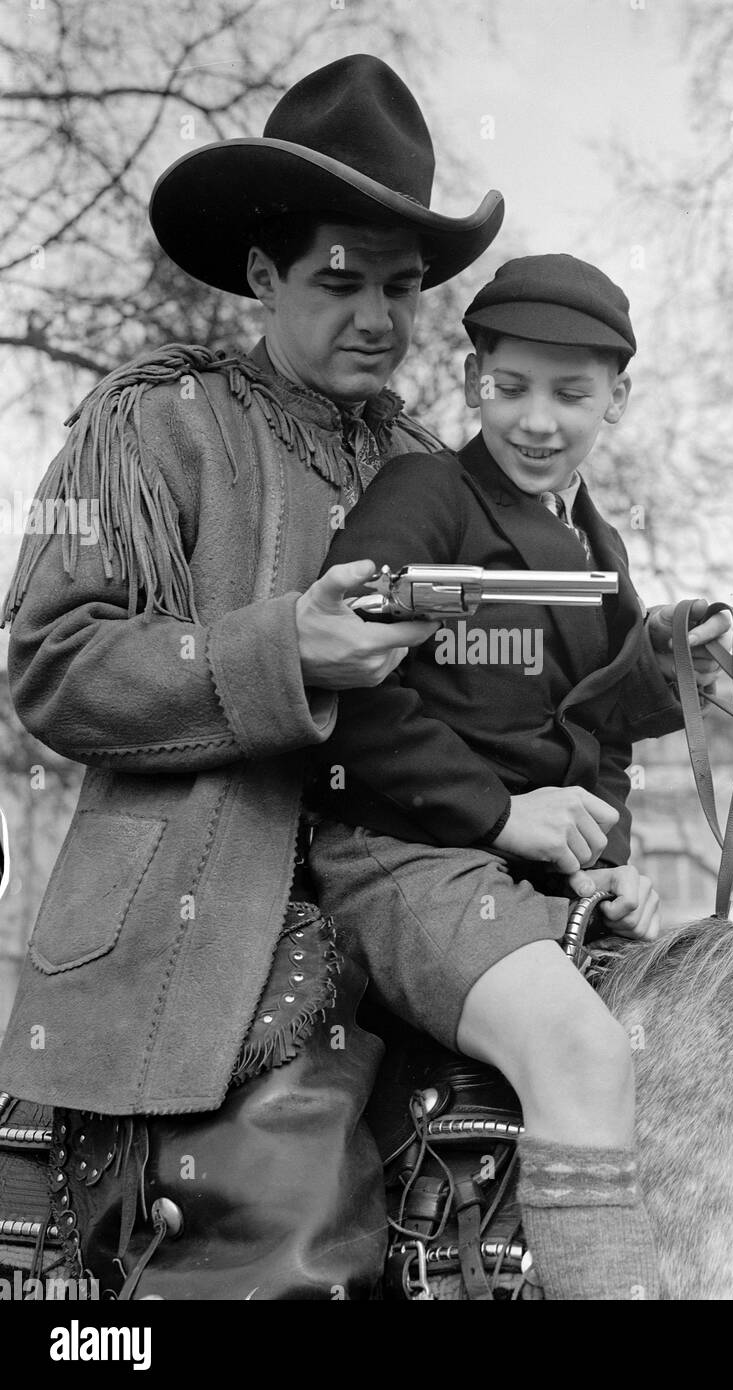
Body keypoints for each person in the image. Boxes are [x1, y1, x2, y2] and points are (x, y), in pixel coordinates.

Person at [0, 55, 506, 1297]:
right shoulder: (145, 425)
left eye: (401, 288)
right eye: (341, 280)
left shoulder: (440, 472)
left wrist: (632, 685)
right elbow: (54, 664)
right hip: (219, 918)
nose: (379, 318)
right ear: (264, 278)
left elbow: (500, 694)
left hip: (423, 892)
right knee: (288, 1237)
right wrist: (284, 650)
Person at [307, 253, 726, 1300]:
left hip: (527, 883)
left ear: (615, 401)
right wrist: (502, 813)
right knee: (582, 1055)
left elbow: (600, 739)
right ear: (470, 380)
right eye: (512, 386)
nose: (538, 420)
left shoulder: (597, 546)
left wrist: (603, 860)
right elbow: (351, 694)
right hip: (406, 861)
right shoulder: (425, 494)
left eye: (571, 393)